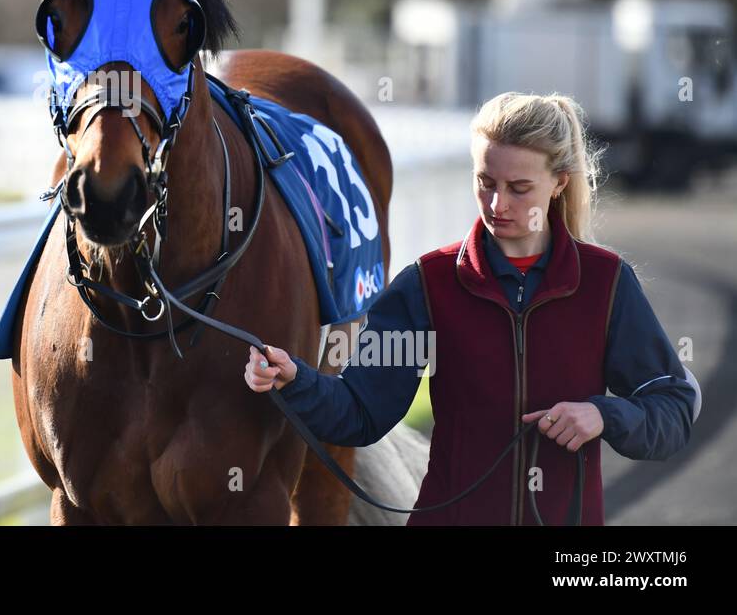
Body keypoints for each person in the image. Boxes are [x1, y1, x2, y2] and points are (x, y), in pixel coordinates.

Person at [245, 91, 700, 525]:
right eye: (485, 183)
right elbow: (361, 411)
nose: (497, 204)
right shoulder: (425, 285)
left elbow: (674, 408)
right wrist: (296, 379)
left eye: (519, 188)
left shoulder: (606, 284)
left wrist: (604, 415)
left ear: (559, 182)